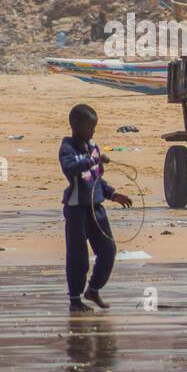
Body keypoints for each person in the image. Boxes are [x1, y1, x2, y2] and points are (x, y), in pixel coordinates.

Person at [60, 104, 132, 313]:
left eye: (94, 127)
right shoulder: (67, 148)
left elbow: (96, 178)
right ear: (75, 125)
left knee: (108, 250)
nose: (93, 131)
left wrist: (112, 194)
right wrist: (93, 160)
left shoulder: (93, 147)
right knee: (78, 256)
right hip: (76, 209)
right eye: (90, 127)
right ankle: (75, 299)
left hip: (95, 207)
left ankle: (93, 289)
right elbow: (71, 169)